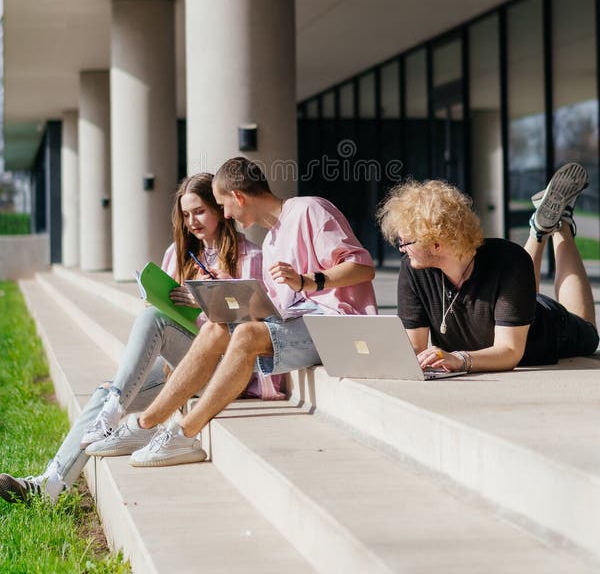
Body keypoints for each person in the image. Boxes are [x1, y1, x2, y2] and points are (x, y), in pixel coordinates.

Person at [0, 172, 281, 504]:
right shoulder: (177, 255)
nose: (192, 221)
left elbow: (255, 325)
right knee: (106, 388)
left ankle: (112, 415)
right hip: (179, 366)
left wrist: (206, 301)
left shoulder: (251, 256)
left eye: (201, 211)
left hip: (223, 369)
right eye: (186, 214)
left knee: (152, 323)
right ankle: (51, 483)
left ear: (220, 209)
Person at [87, 156, 377, 468]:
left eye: (223, 205)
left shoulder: (309, 209)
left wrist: (309, 281)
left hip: (334, 324)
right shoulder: (271, 242)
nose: (225, 214)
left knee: (247, 334)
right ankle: (145, 425)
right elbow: (277, 308)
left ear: (239, 197)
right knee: (216, 326)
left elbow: (363, 267)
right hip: (297, 323)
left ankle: (185, 433)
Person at [376, 161, 598, 374]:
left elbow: (510, 351)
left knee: (589, 333)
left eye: (405, 243)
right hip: (514, 298)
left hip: (545, 330)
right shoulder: (413, 269)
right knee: (515, 271)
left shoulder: (509, 260)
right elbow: (415, 347)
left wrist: (460, 359)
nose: (401, 249)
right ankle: (538, 230)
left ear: (436, 243)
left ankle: (562, 224)